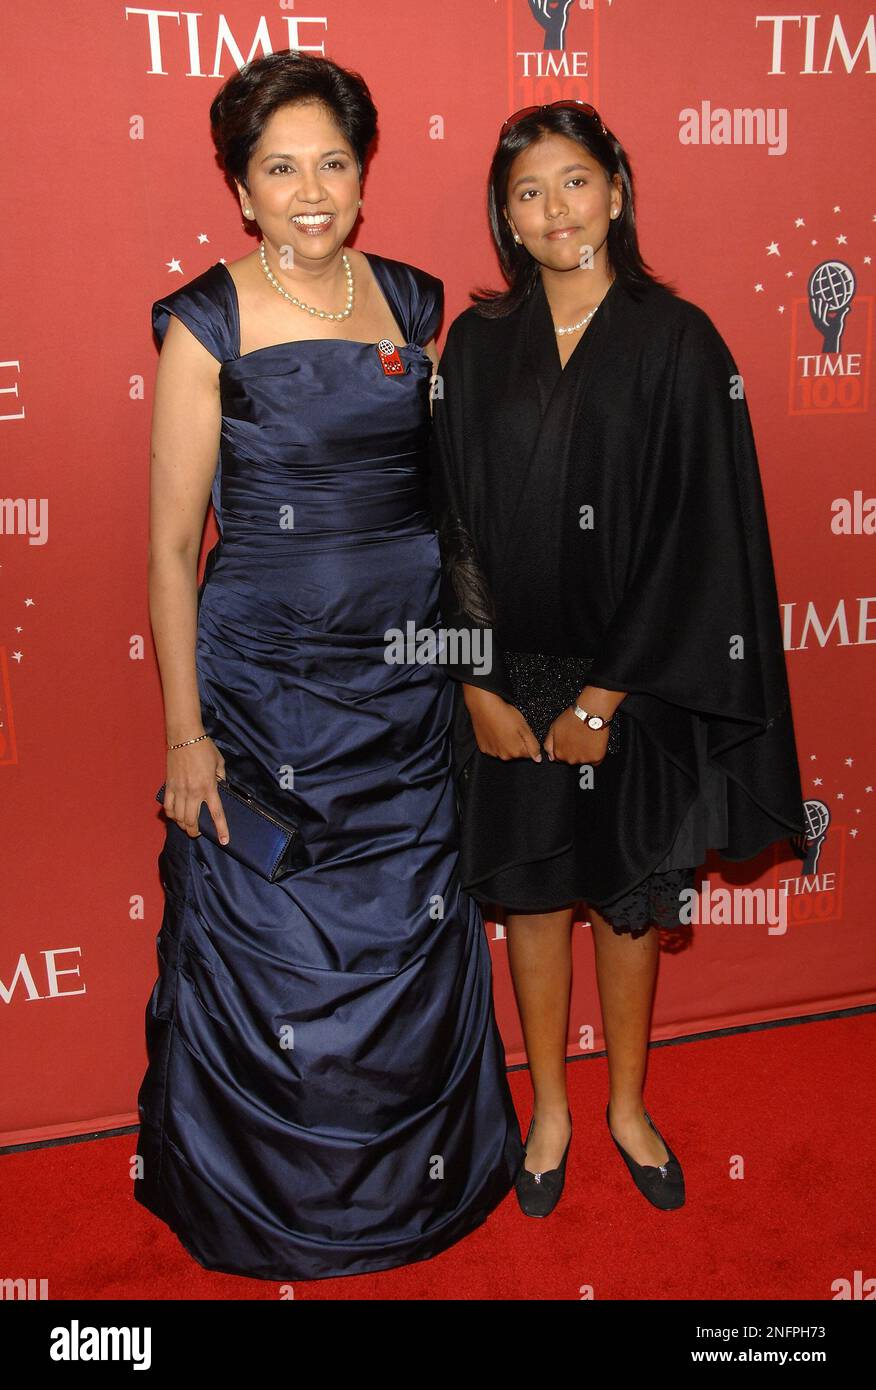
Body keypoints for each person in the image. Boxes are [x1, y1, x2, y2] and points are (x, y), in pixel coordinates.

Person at [135, 49, 524, 1281]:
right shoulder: (205, 320)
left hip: (405, 681)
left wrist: (469, 663)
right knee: (281, 937)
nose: (312, 192)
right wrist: (187, 734)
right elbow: (166, 543)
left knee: (412, 923)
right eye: (281, 168)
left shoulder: (414, 303)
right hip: (263, 686)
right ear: (241, 191)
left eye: (335, 164)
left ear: (365, 175)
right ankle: (270, 1196)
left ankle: (425, 1177)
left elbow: (448, 510)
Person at [429, 100, 807, 1219]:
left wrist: (603, 695)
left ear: (619, 191)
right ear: (506, 213)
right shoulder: (477, 342)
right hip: (510, 680)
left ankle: (627, 1104)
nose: (556, 208)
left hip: (630, 686)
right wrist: (479, 684)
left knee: (625, 903)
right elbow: (445, 524)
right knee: (536, 901)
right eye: (529, 190)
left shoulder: (678, 341)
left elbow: (700, 533)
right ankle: (548, 1104)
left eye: (577, 181)